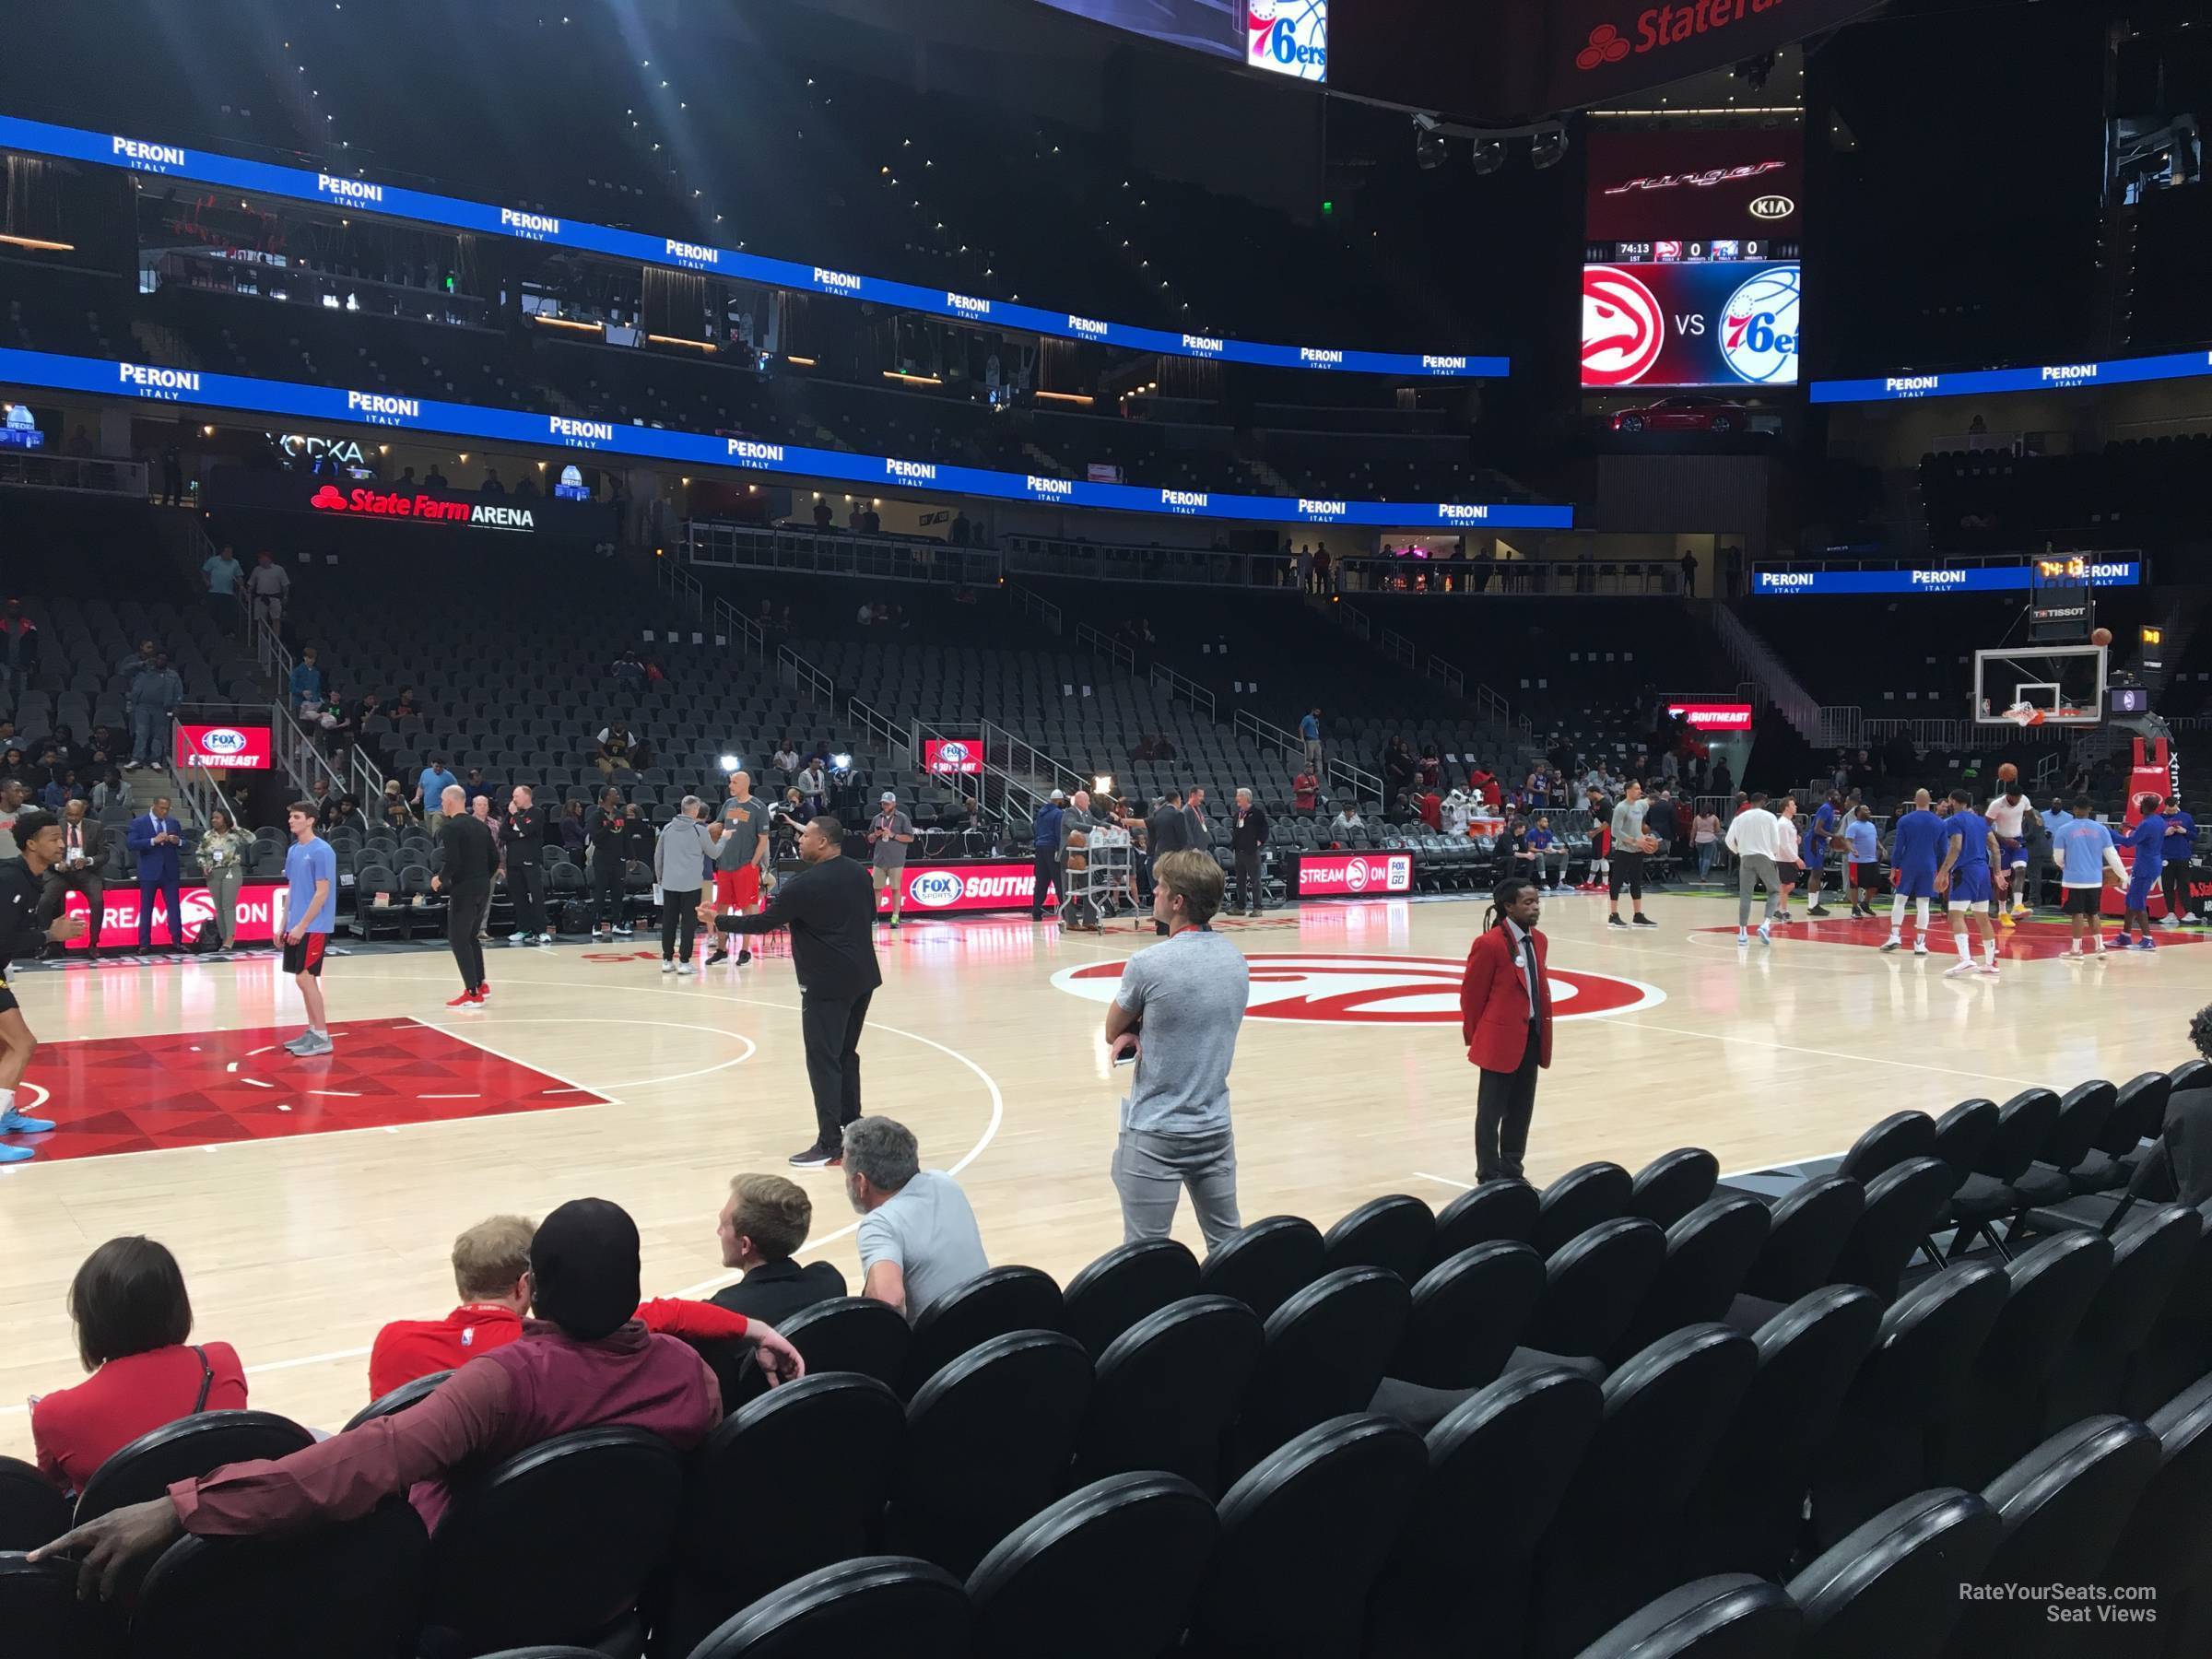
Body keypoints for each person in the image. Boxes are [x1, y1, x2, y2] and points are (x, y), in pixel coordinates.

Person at [30, 1199, 737, 1594]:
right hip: (612, 1583)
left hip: (474, 1591)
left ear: (533, 1288)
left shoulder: (507, 1379)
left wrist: (180, 1507)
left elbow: (361, 1463)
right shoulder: (692, 1375)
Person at [366, 1213, 797, 1402]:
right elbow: (670, 1312)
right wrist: (755, 1328)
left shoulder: (394, 1340)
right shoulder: (559, 1341)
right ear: (525, 1286)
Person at [698, 816, 881, 1166]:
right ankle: (854, 1130)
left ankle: (830, 1142)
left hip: (826, 982)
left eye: (806, 836)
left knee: (823, 1060)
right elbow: (867, 914)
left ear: (823, 842)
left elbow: (762, 923)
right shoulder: (860, 873)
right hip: (862, 977)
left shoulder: (804, 884)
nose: (799, 841)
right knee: (846, 1055)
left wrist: (716, 920)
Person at [1102, 849, 1248, 1246]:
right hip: (1215, 1126)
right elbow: (1192, 1018)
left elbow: (1112, 1029)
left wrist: (1136, 1030)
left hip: (1157, 1131)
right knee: (1228, 1246)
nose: (1155, 893)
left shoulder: (1148, 963)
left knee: (1146, 1253)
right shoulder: (1236, 960)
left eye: (1162, 887)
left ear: (1178, 902)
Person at [29, 1237, 247, 1493]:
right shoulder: (222, 1361)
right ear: (177, 1306)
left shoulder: (54, 1413)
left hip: (116, 1530)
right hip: (215, 1521)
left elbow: (48, 1492)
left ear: (89, 1320)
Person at [845, 1116, 989, 1322]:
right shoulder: (944, 1182)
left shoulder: (880, 1224)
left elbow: (888, 1302)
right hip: (988, 1323)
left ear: (861, 1182)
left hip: (945, 1345)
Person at [3, 810, 86, 1162]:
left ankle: (5, 1112)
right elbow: (4, 937)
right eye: (52, 838)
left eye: (60, 837)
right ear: (31, 844)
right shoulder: (10, 878)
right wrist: (51, 935)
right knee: (23, 1043)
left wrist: (45, 933)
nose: (61, 843)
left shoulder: (34, 878)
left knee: (7, 1047)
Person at [1459, 877, 1552, 1182]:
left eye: (1536, 901)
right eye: (1528, 902)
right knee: (1490, 1112)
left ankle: (1513, 1170)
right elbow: (1471, 997)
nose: (1535, 907)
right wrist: (1479, 1038)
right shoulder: (1488, 944)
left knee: (1521, 1109)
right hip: (1499, 1040)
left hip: (1532, 1036)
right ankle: (1488, 1174)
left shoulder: (1539, 940)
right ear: (1508, 906)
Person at [709, 1173, 850, 1324]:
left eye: (723, 1226)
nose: (718, 1231)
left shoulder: (726, 1309)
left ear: (745, 1245)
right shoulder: (829, 1281)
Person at [277, 802, 337, 1055]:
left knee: (305, 977)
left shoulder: (323, 851)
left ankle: (323, 1036)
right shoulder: (293, 851)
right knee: (303, 980)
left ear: (310, 820)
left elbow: (322, 893)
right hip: (297, 925)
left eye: (297, 817)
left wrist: (302, 925)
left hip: (315, 925)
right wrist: (283, 924)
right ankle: (313, 1031)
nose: (291, 821)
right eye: (290, 816)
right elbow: (292, 890)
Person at [430, 785, 497, 1006]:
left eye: (442, 800)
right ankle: (481, 984)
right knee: (471, 936)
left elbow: (453, 862)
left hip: (464, 889)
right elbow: (495, 859)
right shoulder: (481, 827)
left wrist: (440, 879)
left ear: (450, 801)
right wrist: (481, 877)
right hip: (483, 886)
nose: (441, 804)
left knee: (458, 939)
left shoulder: (450, 829)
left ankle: (472, 992)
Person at [1936, 787, 2004, 978]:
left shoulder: (1955, 821)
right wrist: (1997, 872)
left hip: (1965, 871)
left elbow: (1956, 846)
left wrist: (1942, 873)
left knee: (1955, 915)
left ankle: (1966, 960)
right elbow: (1995, 847)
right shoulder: (1981, 821)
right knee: (1982, 918)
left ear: (1953, 802)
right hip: (1983, 872)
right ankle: (1990, 963)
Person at [706, 771, 771, 966]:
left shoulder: (758, 807)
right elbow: (717, 826)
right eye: (730, 782)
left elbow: (763, 839)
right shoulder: (728, 804)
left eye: (734, 782)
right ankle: (721, 950)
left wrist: (753, 863)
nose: (730, 785)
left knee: (747, 909)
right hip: (725, 863)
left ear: (745, 784)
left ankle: (745, 951)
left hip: (745, 865)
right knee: (721, 907)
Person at [2052, 797, 2126, 958]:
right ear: (2090, 809)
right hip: (2095, 878)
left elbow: (2058, 857)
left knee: (2077, 913)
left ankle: (2077, 949)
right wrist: (2123, 875)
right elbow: (2112, 854)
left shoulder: (2064, 829)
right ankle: (2100, 947)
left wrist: (2064, 866)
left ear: (2074, 809)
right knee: (2093, 913)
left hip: (2075, 878)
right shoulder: (2101, 829)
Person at [653, 794, 713, 976]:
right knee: (688, 923)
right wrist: (725, 838)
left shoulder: (668, 828)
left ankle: (667, 960)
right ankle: (685, 962)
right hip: (691, 884)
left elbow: (658, 856)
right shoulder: (699, 830)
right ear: (695, 810)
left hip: (670, 883)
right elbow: (714, 853)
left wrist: (661, 879)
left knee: (669, 922)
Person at [1882, 790, 1947, 956]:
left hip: (1908, 864)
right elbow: (1943, 851)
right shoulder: (1939, 823)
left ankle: (1895, 935)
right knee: (1923, 903)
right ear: (1930, 801)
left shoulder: (1905, 820)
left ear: (1914, 801)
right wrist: (1942, 872)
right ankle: (1920, 942)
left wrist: (1894, 867)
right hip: (1929, 865)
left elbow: (1898, 847)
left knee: (1900, 899)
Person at [42, 797, 109, 958]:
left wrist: (88, 860)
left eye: (76, 815)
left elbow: (105, 855)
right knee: (44, 902)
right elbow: (44, 853)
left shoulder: (96, 826)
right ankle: (49, 944)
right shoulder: (55, 827)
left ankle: (93, 944)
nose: (72, 819)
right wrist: (57, 864)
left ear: (83, 813)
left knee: (98, 901)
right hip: (60, 873)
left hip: (86, 872)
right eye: (69, 815)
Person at [1724, 790, 1786, 947]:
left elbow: (1728, 839)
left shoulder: (1740, 818)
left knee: (1745, 895)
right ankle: (1765, 925)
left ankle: (1742, 933)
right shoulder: (1769, 817)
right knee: (1774, 891)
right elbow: (1775, 842)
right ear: (1763, 803)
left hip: (1746, 858)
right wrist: (1772, 853)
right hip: (1764, 857)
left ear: (1750, 802)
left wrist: (1739, 852)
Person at [127, 794, 186, 951]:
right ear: (154, 805)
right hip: (149, 871)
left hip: (170, 871)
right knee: (146, 908)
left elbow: (185, 842)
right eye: (162, 808)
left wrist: (177, 841)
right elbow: (131, 844)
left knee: (174, 908)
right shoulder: (138, 823)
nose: (164, 812)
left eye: (167, 809)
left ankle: (178, 941)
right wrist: (153, 841)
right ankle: (144, 944)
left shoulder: (173, 822)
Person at [2117, 794, 2170, 950]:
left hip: (2145, 866)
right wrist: (2133, 828)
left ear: (2145, 807)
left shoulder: (2146, 824)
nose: (2139, 806)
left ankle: (2148, 940)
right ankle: (2125, 936)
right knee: (2130, 900)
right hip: (2152, 862)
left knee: (2138, 902)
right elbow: (2150, 834)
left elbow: (2128, 843)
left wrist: (2111, 833)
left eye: (2141, 804)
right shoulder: (2159, 820)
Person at [1606, 781, 1657, 929]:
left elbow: (1651, 800)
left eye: (1640, 789)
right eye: (1636, 789)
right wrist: (1635, 841)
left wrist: (1645, 838)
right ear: (1627, 791)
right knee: (1617, 881)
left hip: (1637, 850)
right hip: (1624, 849)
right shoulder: (1621, 808)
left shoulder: (1640, 805)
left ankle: (1638, 915)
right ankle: (1613, 915)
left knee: (1636, 881)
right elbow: (1615, 832)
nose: (1639, 791)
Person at [198, 808, 251, 952]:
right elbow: (200, 854)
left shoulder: (234, 835)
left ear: (225, 819)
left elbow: (251, 838)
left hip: (230, 870)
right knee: (219, 908)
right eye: (213, 818)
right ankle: (222, 937)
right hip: (213, 872)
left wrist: (236, 827)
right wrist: (204, 866)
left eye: (217, 818)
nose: (214, 820)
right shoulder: (208, 835)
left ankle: (230, 938)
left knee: (228, 905)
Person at [502, 784, 550, 945]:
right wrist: (519, 834)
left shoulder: (537, 813)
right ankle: (524, 929)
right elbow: (503, 833)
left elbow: (528, 830)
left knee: (536, 896)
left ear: (526, 796)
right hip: (513, 861)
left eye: (516, 796)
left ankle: (541, 931)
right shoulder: (510, 813)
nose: (513, 799)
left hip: (530, 859)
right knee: (518, 897)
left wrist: (516, 816)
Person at [1985, 776, 2032, 926]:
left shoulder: (2024, 799)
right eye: (2015, 798)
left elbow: (2029, 811)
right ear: (2008, 796)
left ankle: (2018, 906)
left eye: (2019, 798)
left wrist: (2036, 817)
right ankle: (2002, 912)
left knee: (2020, 870)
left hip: (2018, 841)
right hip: (2002, 844)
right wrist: (2005, 841)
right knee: (2003, 882)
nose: (2018, 800)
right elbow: (1986, 827)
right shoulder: (1996, 805)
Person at [124, 650, 182, 771]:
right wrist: (143, 663)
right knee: (141, 732)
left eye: (163, 659)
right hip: (142, 706)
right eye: (158, 658)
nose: (160, 661)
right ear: (154, 659)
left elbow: (178, 691)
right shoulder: (143, 670)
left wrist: (176, 706)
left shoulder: (172, 675)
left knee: (158, 735)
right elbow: (125, 669)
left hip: (161, 708)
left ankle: (155, 760)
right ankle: (137, 759)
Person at [866, 790, 915, 927]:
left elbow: (910, 838)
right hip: (879, 860)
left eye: (887, 804)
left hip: (896, 860)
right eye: (883, 804)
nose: (885, 806)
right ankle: (874, 917)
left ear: (894, 803)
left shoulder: (902, 818)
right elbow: (869, 839)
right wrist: (875, 835)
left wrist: (893, 835)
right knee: (877, 889)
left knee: (895, 889)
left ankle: (895, 917)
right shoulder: (877, 818)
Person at [588, 788, 631, 941]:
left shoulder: (620, 815)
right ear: (607, 797)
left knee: (618, 894)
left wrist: (631, 856)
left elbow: (625, 837)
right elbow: (596, 839)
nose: (618, 796)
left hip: (618, 859)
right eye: (615, 794)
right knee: (600, 894)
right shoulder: (596, 816)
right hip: (602, 859)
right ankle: (596, 926)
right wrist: (609, 824)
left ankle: (617, 925)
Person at [1230, 787, 1269, 917]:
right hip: (1239, 852)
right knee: (1240, 880)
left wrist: (1259, 842)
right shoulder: (1237, 814)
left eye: (1238, 796)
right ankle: (1241, 906)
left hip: (1251, 852)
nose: (1236, 799)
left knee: (1255, 880)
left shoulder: (1257, 813)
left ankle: (1258, 907)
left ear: (1246, 797)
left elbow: (1265, 829)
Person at [1030, 789, 1066, 923]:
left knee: (1041, 882)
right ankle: (1067, 913)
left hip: (1040, 848)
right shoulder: (1059, 814)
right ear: (1059, 801)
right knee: (1059, 881)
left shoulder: (1040, 812)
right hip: (1052, 848)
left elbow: (1036, 829)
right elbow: (1059, 833)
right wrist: (1060, 849)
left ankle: (1036, 912)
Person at [2161, 795, 2196, 928]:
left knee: (2184, 885)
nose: (2171, 811)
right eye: (2169, 810)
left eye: (2174, 809)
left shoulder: (2186, 817)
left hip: (2183, 856)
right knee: (2167, 886)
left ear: (2177, 805)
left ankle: (2189, 912)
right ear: (2165, 806)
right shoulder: (2159, 819)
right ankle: (2170, 913)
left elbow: (2195, 835)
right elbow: (2155, 836)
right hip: (2166, 857)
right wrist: (2165, 833)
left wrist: (2184, 831)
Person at [1842, 804, 1881, 921]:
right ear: (1858, 813)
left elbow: (1875, 839)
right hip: (1856, 861)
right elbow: (1848, 841)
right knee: (1855, 885)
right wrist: (1852, 850)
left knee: (1875, 884)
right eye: (1865, 810)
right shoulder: (1853, 826)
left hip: (1871, 859)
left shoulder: (1872, 826)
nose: (1868, 811)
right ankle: (1855, 907)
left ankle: (1865, 903)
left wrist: (1881, 847)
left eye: (1869, 809)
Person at [246, 548, 290, 633]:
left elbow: (285, 584)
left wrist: (285, 596)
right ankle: (262, 640)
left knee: (276, 619)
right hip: (261, 598)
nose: (259, 560)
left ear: (268, 559)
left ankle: (276, 640)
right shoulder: (257, 569)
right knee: (261, 620)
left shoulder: (279, 569)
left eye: (261, 558)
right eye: (259, 559)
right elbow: (251, 583)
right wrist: (248, 592)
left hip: (274, 597)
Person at [200, 547, 242, 633]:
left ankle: (225, 632)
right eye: (227, 552)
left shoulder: (235, 562)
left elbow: (239, 575)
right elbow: (204, 571)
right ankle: (212, 631)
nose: (229, 554)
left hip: (228, 592)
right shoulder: (213, 560)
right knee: (213, 612)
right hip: (214, 591)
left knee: (227, 613)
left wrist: (241, 585)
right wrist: (206, 581)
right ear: (222, 553)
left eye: (231, 552)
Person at [415, 756, 457, 832]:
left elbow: (456, 790)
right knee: (429, 832)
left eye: (441, 767)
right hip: (427, 809)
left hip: (440, 810)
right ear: (432, 764)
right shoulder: (425, 772)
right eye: (436, 766)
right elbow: (421, 787)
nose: (438, 769)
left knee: (436, 832)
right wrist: (417, 797)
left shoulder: (448, 776)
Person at [1526, 814, 1566, 889]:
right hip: (1534, 858)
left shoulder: (1548, 833)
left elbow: (1549, 849)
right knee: (1540, 854)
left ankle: (1561, 882)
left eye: (1547, 822)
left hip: (1546, 857)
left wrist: (1558, 851)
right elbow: (1530, 848)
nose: (1547, 823)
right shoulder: (1532, 833)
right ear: (1538, 823)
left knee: (1564, 854)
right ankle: (1543, 881)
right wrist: (1543, 850)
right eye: (1544, 821)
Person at [288, 646, 326, 717]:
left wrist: (318, 698)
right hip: (300, 704)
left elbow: (318, 689)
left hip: (314, 704)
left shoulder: (316, 673)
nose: (312, 661)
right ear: (305, 658)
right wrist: (302, 692)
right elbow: (291, 687)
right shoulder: (297, 671)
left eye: (313, 658)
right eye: (309, 658)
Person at [1691, 806, 1721, 881]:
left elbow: (1694, 829)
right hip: (1710, 838)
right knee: (1707, 858)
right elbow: (1717, 830)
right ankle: (1703, 876)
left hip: (1699, 838)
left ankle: (1701, 873)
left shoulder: (1697, 818)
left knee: (1701, 857)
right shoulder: (1714, 818)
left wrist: (1691, 840)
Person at [1300, 706, 1323, 772]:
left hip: (1316, 740)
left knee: (1319, 756)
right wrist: (1302, 738)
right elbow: (1301, 727)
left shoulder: (1316, 720)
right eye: (1317, 712)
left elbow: (1316, 730)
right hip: (1310, 740)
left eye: (1319, 712)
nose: (1318, 714)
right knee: (1310, 757)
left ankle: (1319, 772)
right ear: (1313, 711)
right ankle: (1307, 770)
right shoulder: (1307, 718)